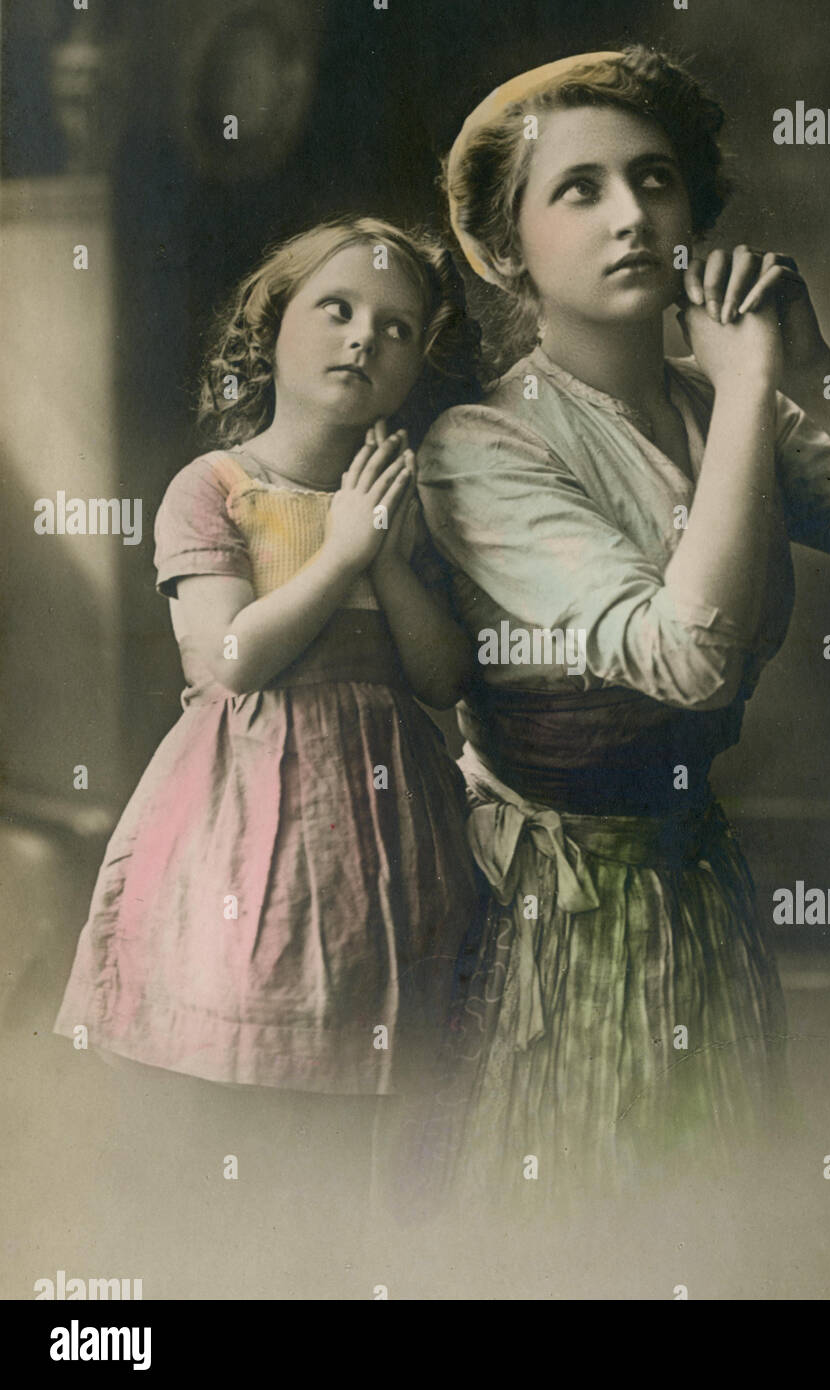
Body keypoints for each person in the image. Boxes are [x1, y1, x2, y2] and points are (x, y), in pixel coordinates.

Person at [414, 47, 830, 1204]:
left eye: (655, 180)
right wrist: (743, 393)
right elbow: (683, 657)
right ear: (503, 245)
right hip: (550, 912)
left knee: (713, 1209)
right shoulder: (481, 447)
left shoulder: (719, 397)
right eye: (578, 190)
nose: (630, 214)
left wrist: (812, 368)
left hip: (692, 880)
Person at [54, 216, 482, 1114]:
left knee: (382, 1083)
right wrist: (340, 554)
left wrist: (386, 555)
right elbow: (233, 658)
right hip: (246, 819)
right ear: (273, 325)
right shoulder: (215, 486)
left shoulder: (405, 503)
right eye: (336, 309)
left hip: (394, 820)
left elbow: (443, 681)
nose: (365, 335)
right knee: (257, 1053)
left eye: (397, 327)